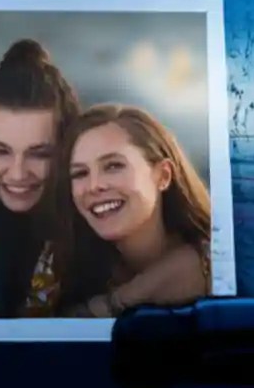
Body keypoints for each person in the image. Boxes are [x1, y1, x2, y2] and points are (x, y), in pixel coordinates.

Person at [0, 43, 207, 318]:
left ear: (66, 148)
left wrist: (112, 305)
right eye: (0, 151)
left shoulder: (94, 218)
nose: (18, 172)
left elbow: (201, 259)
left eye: (39, 153)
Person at [56, 103, 212, 318]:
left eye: (113, 166)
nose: (94, 185)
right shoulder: (65, 275)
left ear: (163, 176)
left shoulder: (226, 269)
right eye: (80, 173)